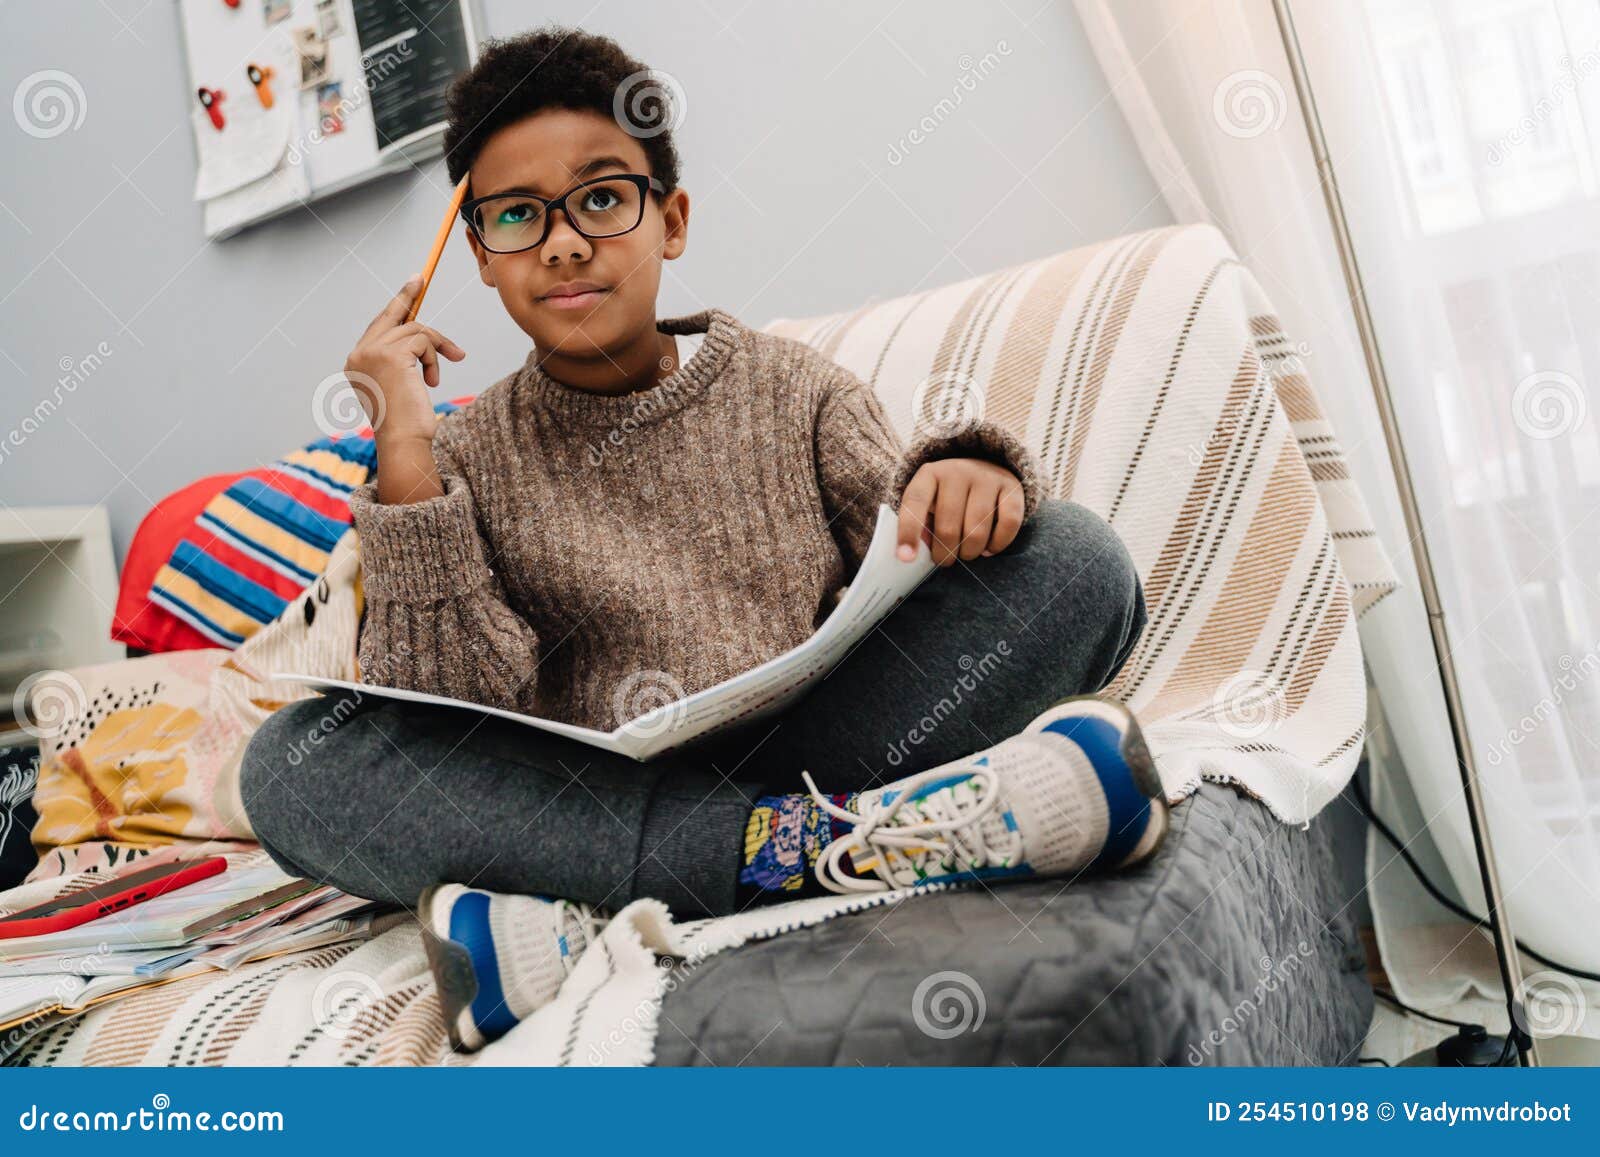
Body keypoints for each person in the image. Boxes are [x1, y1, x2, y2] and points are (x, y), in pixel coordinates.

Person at [240, 25, 1167, 1054]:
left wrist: (971, 477)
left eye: (602, 197)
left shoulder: (793, 388)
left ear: (670, 220)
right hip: (588, 793)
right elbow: (461, 709)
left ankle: (596, 904)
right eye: (517, 216)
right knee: (289, 765)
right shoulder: (460, 460)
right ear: (481, 258)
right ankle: (811, 850)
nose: (563, 241)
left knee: (1079, 560)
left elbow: (913, 561)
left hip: (816, 749)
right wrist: (404, 452)